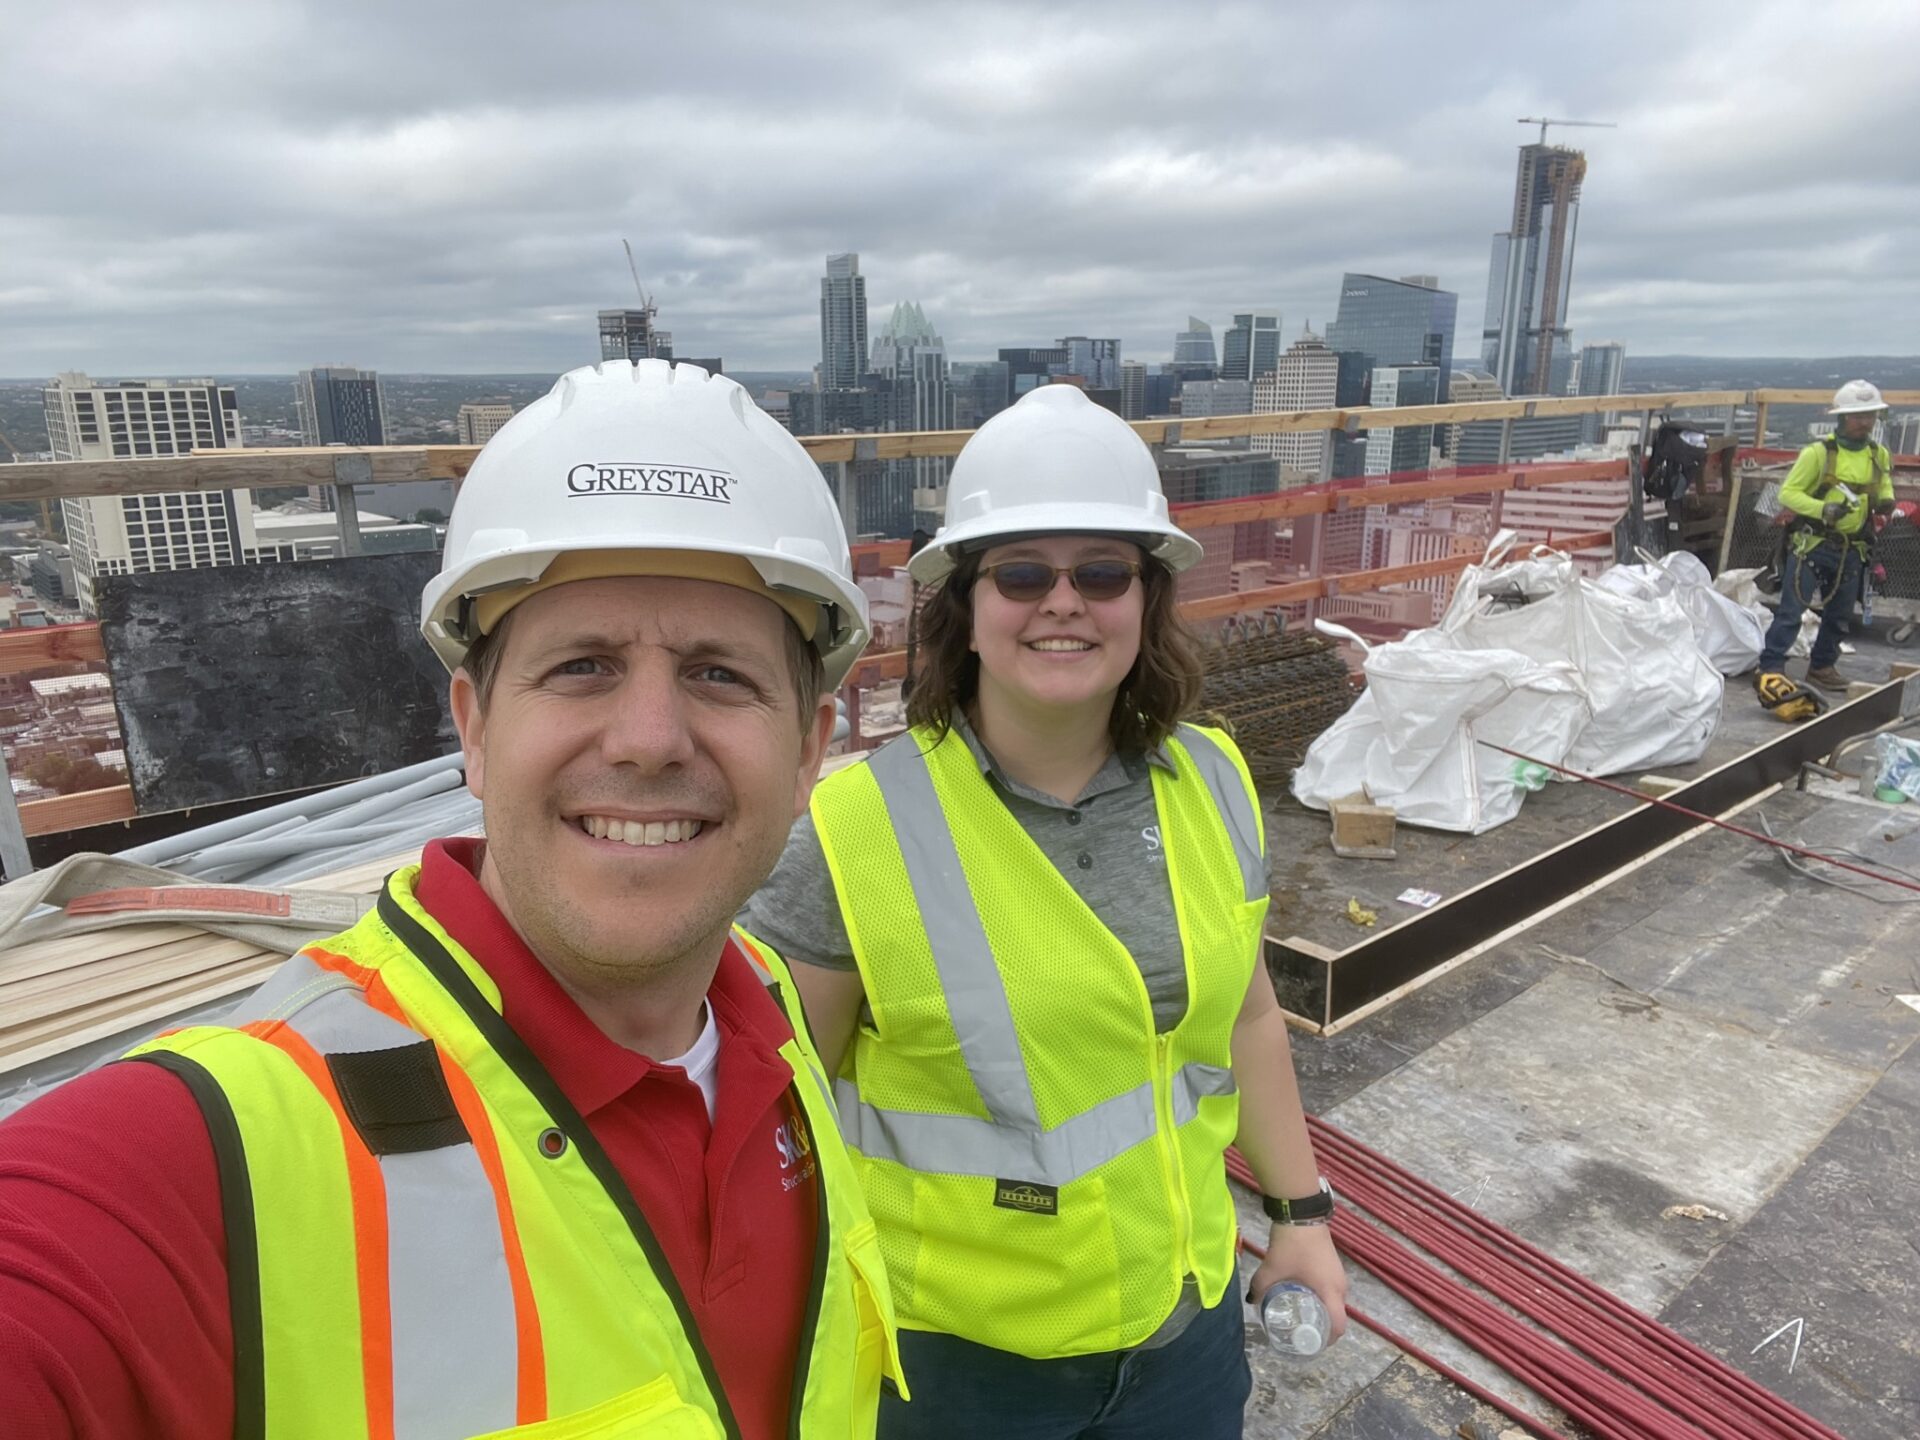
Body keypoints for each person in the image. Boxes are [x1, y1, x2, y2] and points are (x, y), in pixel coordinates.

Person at [0, 360, 904, 1438]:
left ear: (809, 749)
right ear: (474, 726)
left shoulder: (770, 1017)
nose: (651, 740)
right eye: (582, 666)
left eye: (720, 674)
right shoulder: (218, 1150)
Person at [742, 383, 1348, 1440]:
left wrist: (1301, 1218)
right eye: (1021, 573)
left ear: (1146, 601)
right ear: (964, 609)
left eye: (1102, 572)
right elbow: (774, 1121)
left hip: (1184, 1328)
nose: (1062, 601)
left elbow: (1247, 1018)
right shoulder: (854, 833)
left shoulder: (1211, 779)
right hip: (956, 1372)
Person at [1755, 379, 1898, 717]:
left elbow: (1884, 484)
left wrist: (1886, 501)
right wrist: (1823, 510)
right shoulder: (1818, 454)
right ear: (1843, 418)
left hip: (1853, 548)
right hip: (1813, 544)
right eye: (1858, 416)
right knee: (1792, 612)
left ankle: (1822, 666)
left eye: (1869, 416)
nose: (1865, 422)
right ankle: (1771, 667)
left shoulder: (1877, 455)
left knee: (1838, 615)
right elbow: (1788, 493)